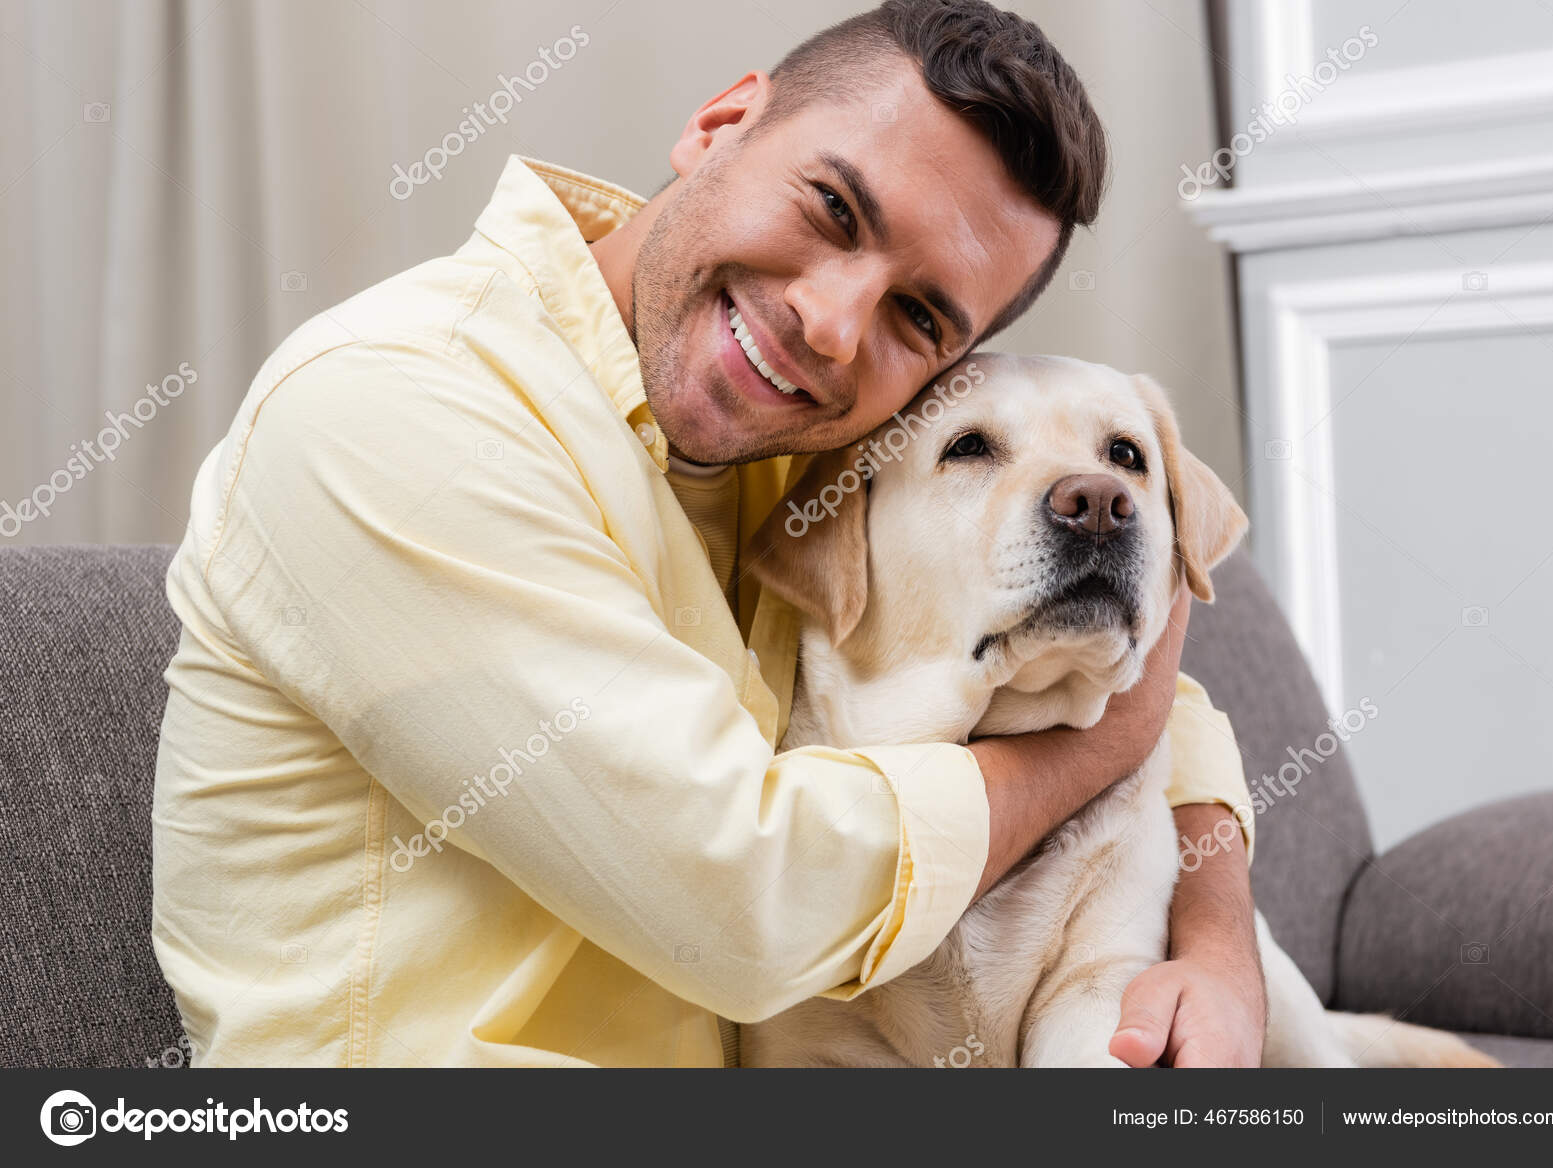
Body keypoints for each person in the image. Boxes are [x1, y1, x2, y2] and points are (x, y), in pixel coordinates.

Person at [151, 0, 1264, 1067]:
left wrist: (1216, 961)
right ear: (722, 123)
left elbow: (1120, 682)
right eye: (833, 210)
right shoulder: (396, 409)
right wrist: (1098, 749)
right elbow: (744, 902)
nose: (829, 325)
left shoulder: (802, 454)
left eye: (917, 317)